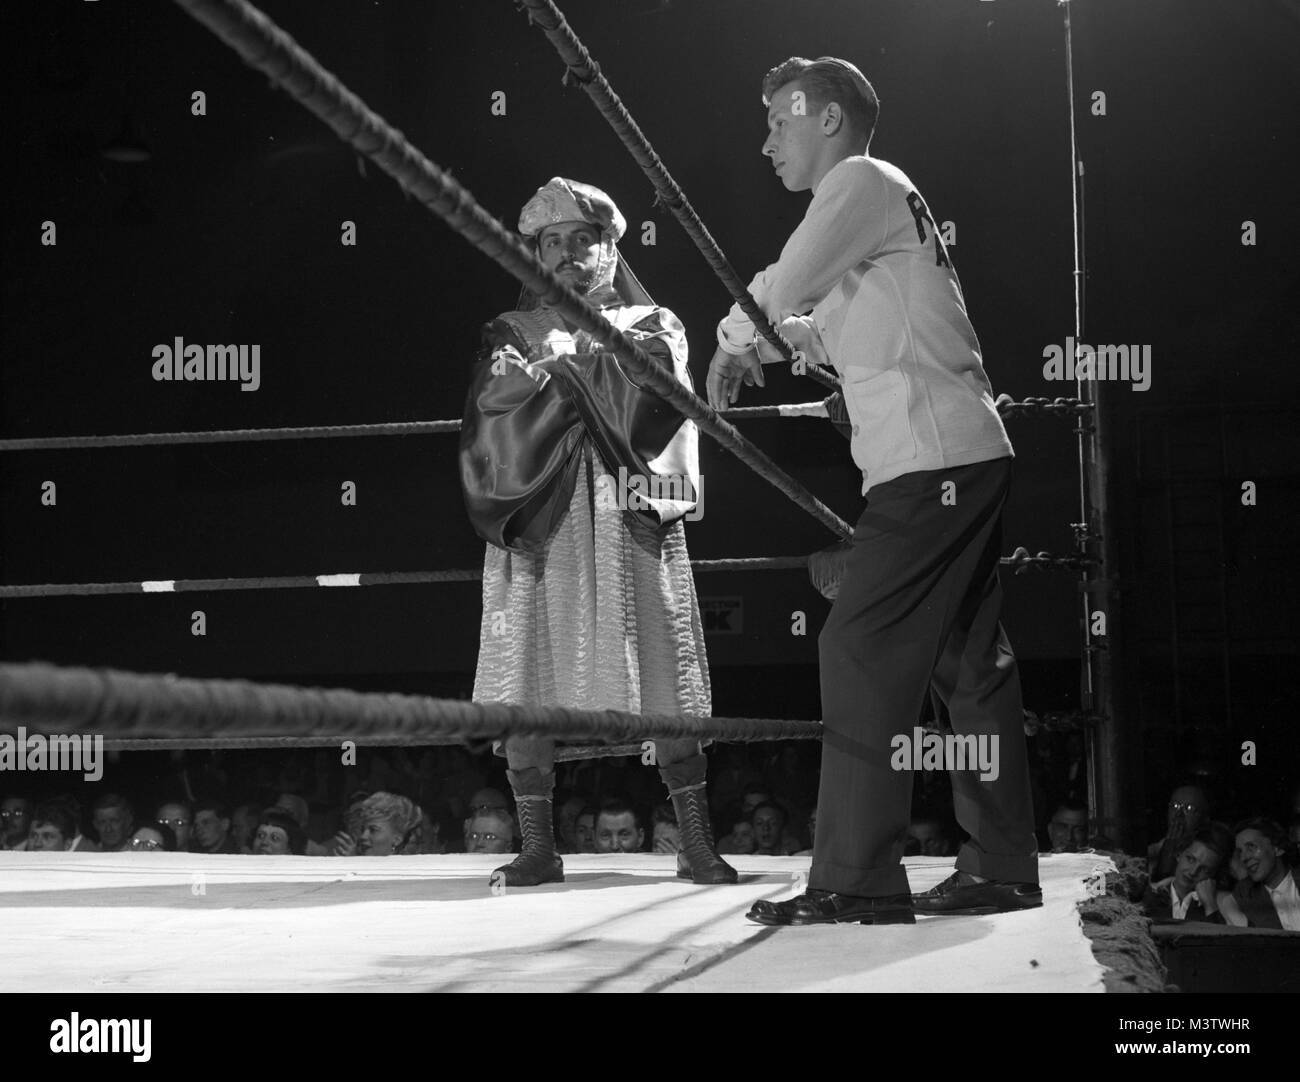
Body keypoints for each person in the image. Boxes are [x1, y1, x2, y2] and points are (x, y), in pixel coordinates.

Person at [709, 57, 1040, 926]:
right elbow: (815, 322)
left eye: (781, 119)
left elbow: (783, 281)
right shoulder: (878, 215)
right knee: (970, 667)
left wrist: (733, 338)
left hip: (931, 465)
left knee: (857, 646)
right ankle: (1002, 866)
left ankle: (853, 878)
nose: (767, 140)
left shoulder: (859, 180)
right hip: (963, 456)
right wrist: (785, 340)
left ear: (827, 119)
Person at [460, 177, 734, 889]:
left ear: (612, 249)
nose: (568, 254)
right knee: (528, 675)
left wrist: (567, 372)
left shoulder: (655, 323)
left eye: (584, 240)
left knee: (666, 673)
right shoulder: (508, 332)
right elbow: (498, 415)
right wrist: (586, 376)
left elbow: (653, 397)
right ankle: (539, 847)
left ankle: (696, 843)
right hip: (542, 517)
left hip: (628, 518)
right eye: (552, 243)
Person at [1219, 818, 1298, 931]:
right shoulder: (1243, 895)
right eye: (1240, 851)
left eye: (1251, 847)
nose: (1244, 858)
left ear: (1278, 848)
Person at [1142, 831, 1225, 923]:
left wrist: (1210, 905)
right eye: (1190, 859)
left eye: (1204, 869)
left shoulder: (1215, 905)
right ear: (1179, 854)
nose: (1193, 872)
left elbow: (1220, 936)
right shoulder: (1150, 896)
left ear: (1212, 875)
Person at [1148, 785, 1211, 880]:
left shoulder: (1209, 854)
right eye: (1174, 806)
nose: (1179, 814)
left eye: (1189, 808)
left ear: (1204, 818)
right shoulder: (1154, 850)